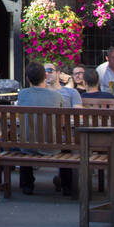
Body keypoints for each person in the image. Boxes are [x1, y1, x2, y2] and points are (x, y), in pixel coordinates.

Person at [15, 61, 70, 195]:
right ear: (45, 77)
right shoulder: (56, 96)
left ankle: (27, 184)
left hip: (27, 146)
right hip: (52, 146)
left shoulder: (22, 94)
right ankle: (67, 185)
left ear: (27, 78)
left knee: (25, 138)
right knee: (69, 146)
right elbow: (62, 120)